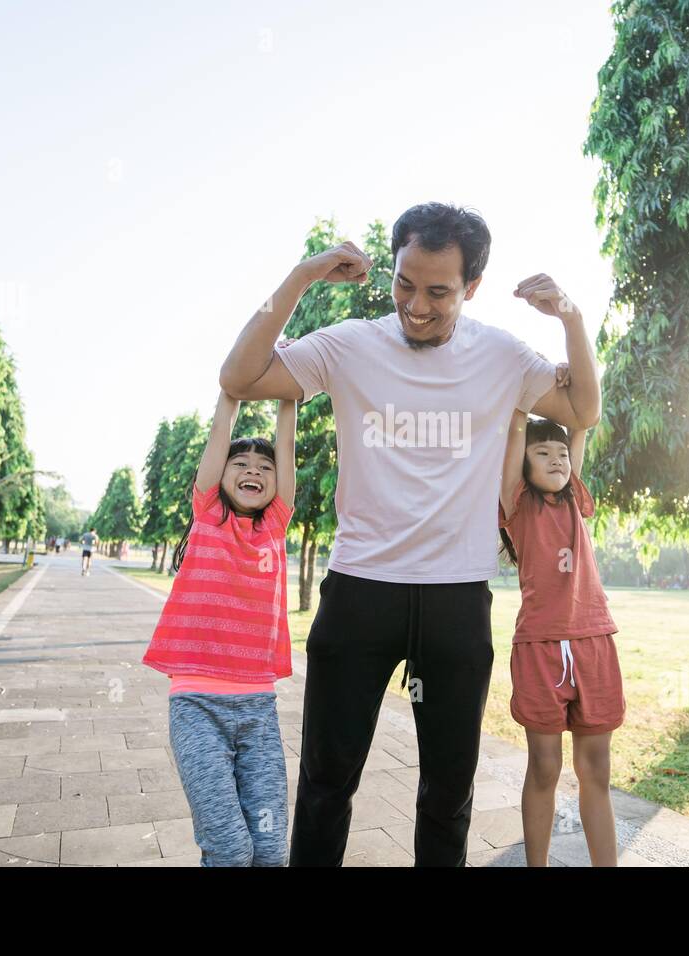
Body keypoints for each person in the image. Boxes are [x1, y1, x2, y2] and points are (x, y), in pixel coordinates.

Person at [218, 201, 601, 866]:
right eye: (404, 284)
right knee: (324, 786)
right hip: (360, 592)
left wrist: (571, 319)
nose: (416, 307)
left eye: (438, 292)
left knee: (448, 793)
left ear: (471, 288)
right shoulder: (349, 345)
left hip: (456, 600)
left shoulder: (503, 356)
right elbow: (240, 376)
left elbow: (581, 408)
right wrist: (301, 278)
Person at [140, 391, 297, 866]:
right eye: (241, 464)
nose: (253, 471)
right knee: (229, 847)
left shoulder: (275, 526)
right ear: (220, 476)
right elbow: (218, 439)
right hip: (197, 708)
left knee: (270, 851)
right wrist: (231, 393)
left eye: (264, 468)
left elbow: (286, 449)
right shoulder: (209, 514)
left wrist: (289, 398)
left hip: (257, 710)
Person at [498, 411, 625, 866]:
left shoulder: (574, 498)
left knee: (596, 771)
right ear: (523, 465)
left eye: (563, 453)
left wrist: (576, 416)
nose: (557, 459)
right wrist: (519, 404)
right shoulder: (516, 504)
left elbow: (584, 419)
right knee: (546, 767)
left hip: (594, 639)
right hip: (540, 648)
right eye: (542, 452)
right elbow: (514, 438)